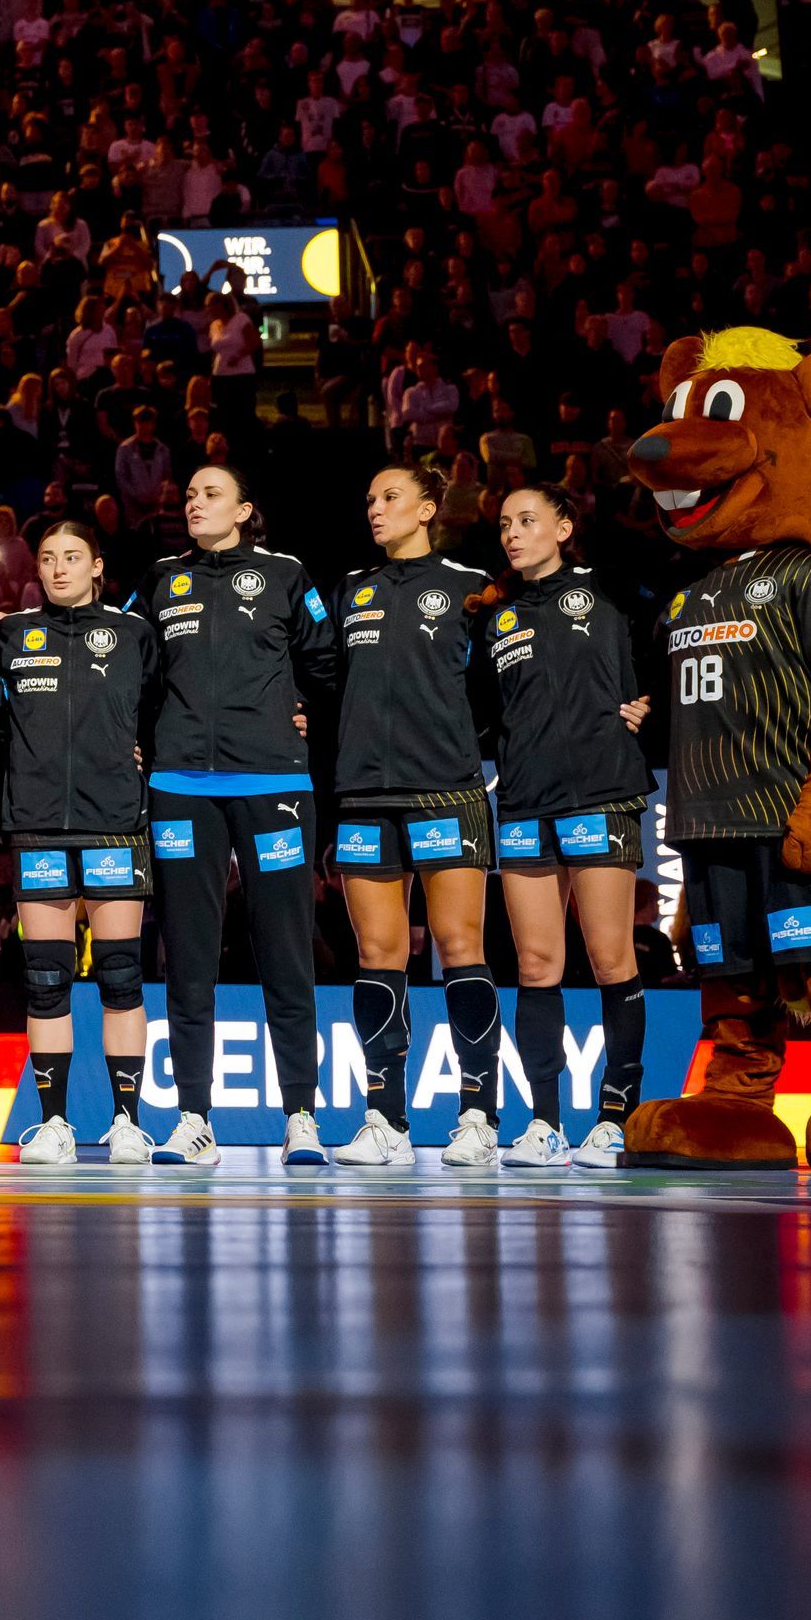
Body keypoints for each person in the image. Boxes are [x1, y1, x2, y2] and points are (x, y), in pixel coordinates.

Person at [132, 465, 333, 1168]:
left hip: (274, 780)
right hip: (181, 784)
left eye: (210, 492)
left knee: (286, 949)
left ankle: (301, 1116)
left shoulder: (285, 573)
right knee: (188, 954)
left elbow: (328, 661)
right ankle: (194, 1117)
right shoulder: (160, 579)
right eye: (187, 493)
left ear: (245, 509)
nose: (193, 500)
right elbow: (130, 665)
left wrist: (302, 719)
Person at [326, 462, 501, 1172]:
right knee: (377, 955)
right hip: (363, 793)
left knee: (460, 946)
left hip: (445, 792)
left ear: (428, 508)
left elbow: (498, 687)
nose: (376, 508)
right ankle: (384, 1119)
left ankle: (477, 1116)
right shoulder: (352, 591)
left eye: (390, 496)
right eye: (370, 498)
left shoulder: (470, 587)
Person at [482, 486, 655, 1172]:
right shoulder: (495, 620)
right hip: (525, 802)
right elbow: (480, 712)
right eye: (504, 524)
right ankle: (545, 1123)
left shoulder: (607, 587)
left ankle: (616, 1118)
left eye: (527, 520)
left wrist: (654, 710)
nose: (513, 533)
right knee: (534, 965)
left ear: (564, 525)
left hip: (603, 792)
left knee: (613, 959)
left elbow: (673, 629)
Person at [0, 519, 160, 1167]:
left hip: (114, 822)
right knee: (48, 979)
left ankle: (127, 1122)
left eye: (73, 557)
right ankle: (54, 1123)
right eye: (49, 558)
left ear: (97, 565)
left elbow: (168, 710)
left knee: (120, 974)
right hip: (37, 825)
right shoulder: (8, 637)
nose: (59, 568)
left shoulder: (135, 634)